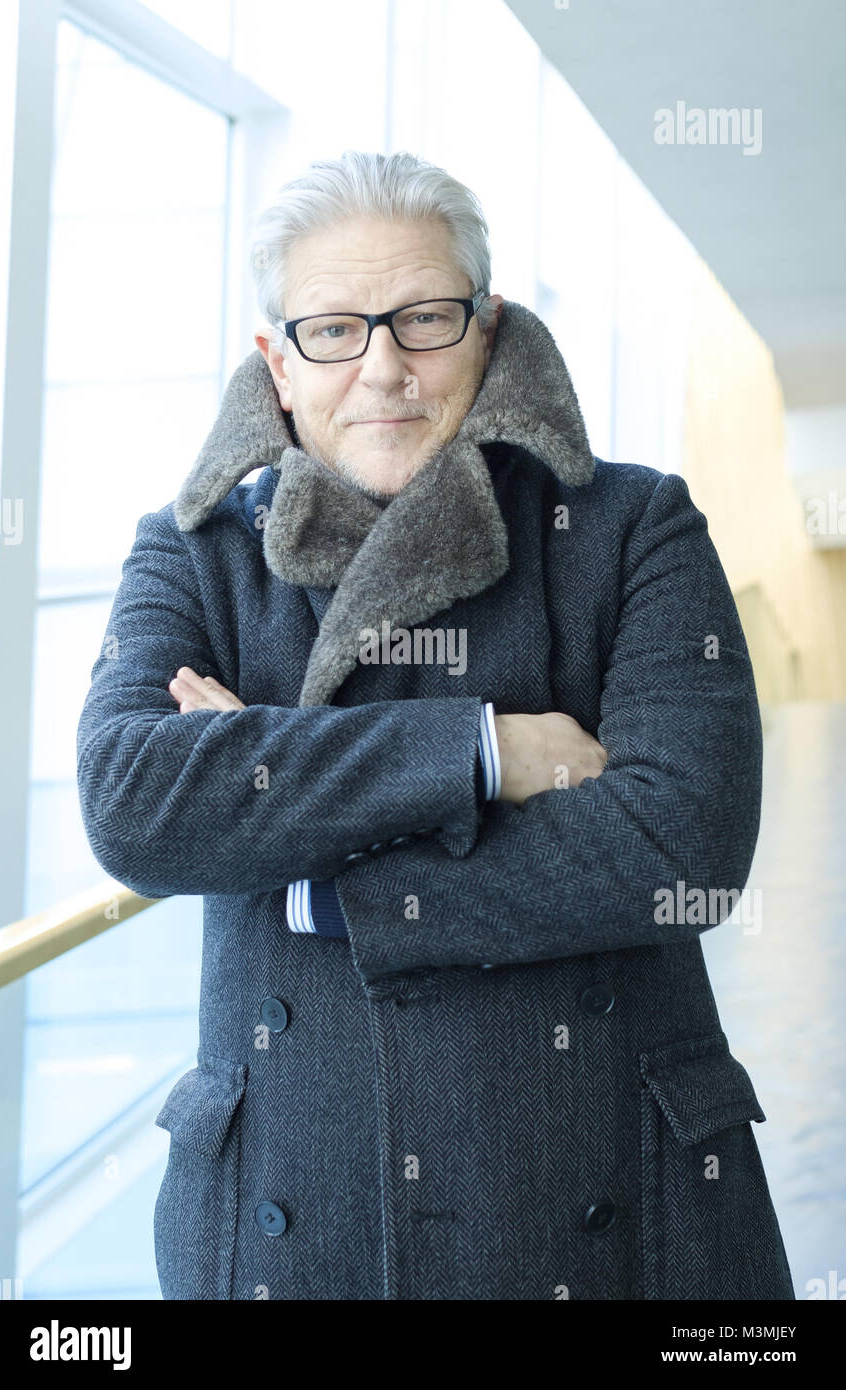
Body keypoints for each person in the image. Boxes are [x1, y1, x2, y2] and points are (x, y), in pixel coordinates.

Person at [76, 150, 794, 1301]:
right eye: (333, 331)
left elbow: (681, 850)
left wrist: (304, 865)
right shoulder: (194, 550)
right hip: (289, 1211)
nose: (383, 370)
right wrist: (482, 752)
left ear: (487, 326)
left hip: (609, 1196)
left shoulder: (630, 525)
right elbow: (132, 802)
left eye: (423, 320)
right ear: (276, 359)